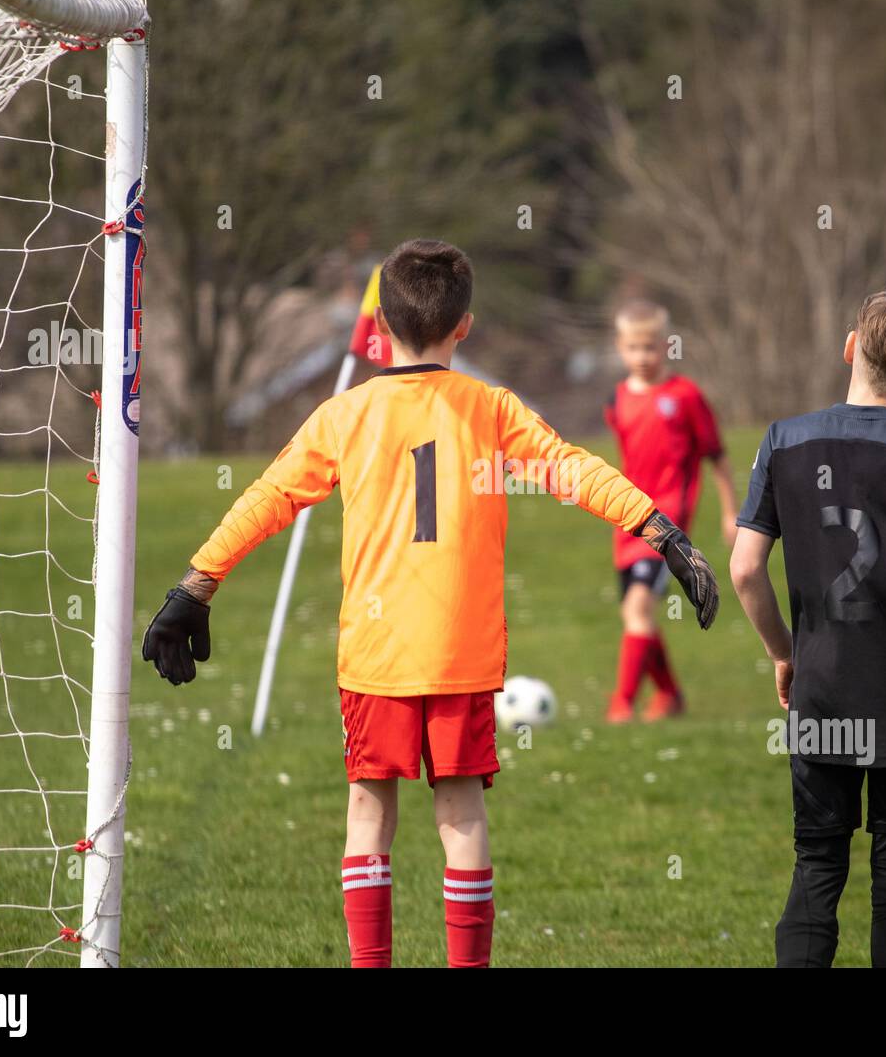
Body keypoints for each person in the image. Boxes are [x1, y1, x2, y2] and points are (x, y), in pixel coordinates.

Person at [141, 239, 719, 968]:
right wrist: (656, 525)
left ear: (378, 325)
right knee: (461, 811)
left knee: (368, 809)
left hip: (376, 657)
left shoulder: (345, 414)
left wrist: (199, 582)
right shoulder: (492, 407)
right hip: (461, 652)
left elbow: (270, 498)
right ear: (465, 326)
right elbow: (573, 468)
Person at [731, 284, 886, 967]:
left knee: (816, 866)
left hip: (821, 692)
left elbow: (745, 570)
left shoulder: (783, 440)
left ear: (850, 348)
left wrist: (783, 653)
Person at [604, 299, 736, 722]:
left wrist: (729, 511)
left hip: (665, 524)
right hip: (625, 518)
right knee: (634, 615)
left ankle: (621, 705)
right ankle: (671, 695)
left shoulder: (685, 396)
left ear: (666, 346)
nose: (642, 357)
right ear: (620, 348)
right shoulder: (617, 400)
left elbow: (717, 455)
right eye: (633, 348)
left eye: (650, 347)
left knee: (639, 608)